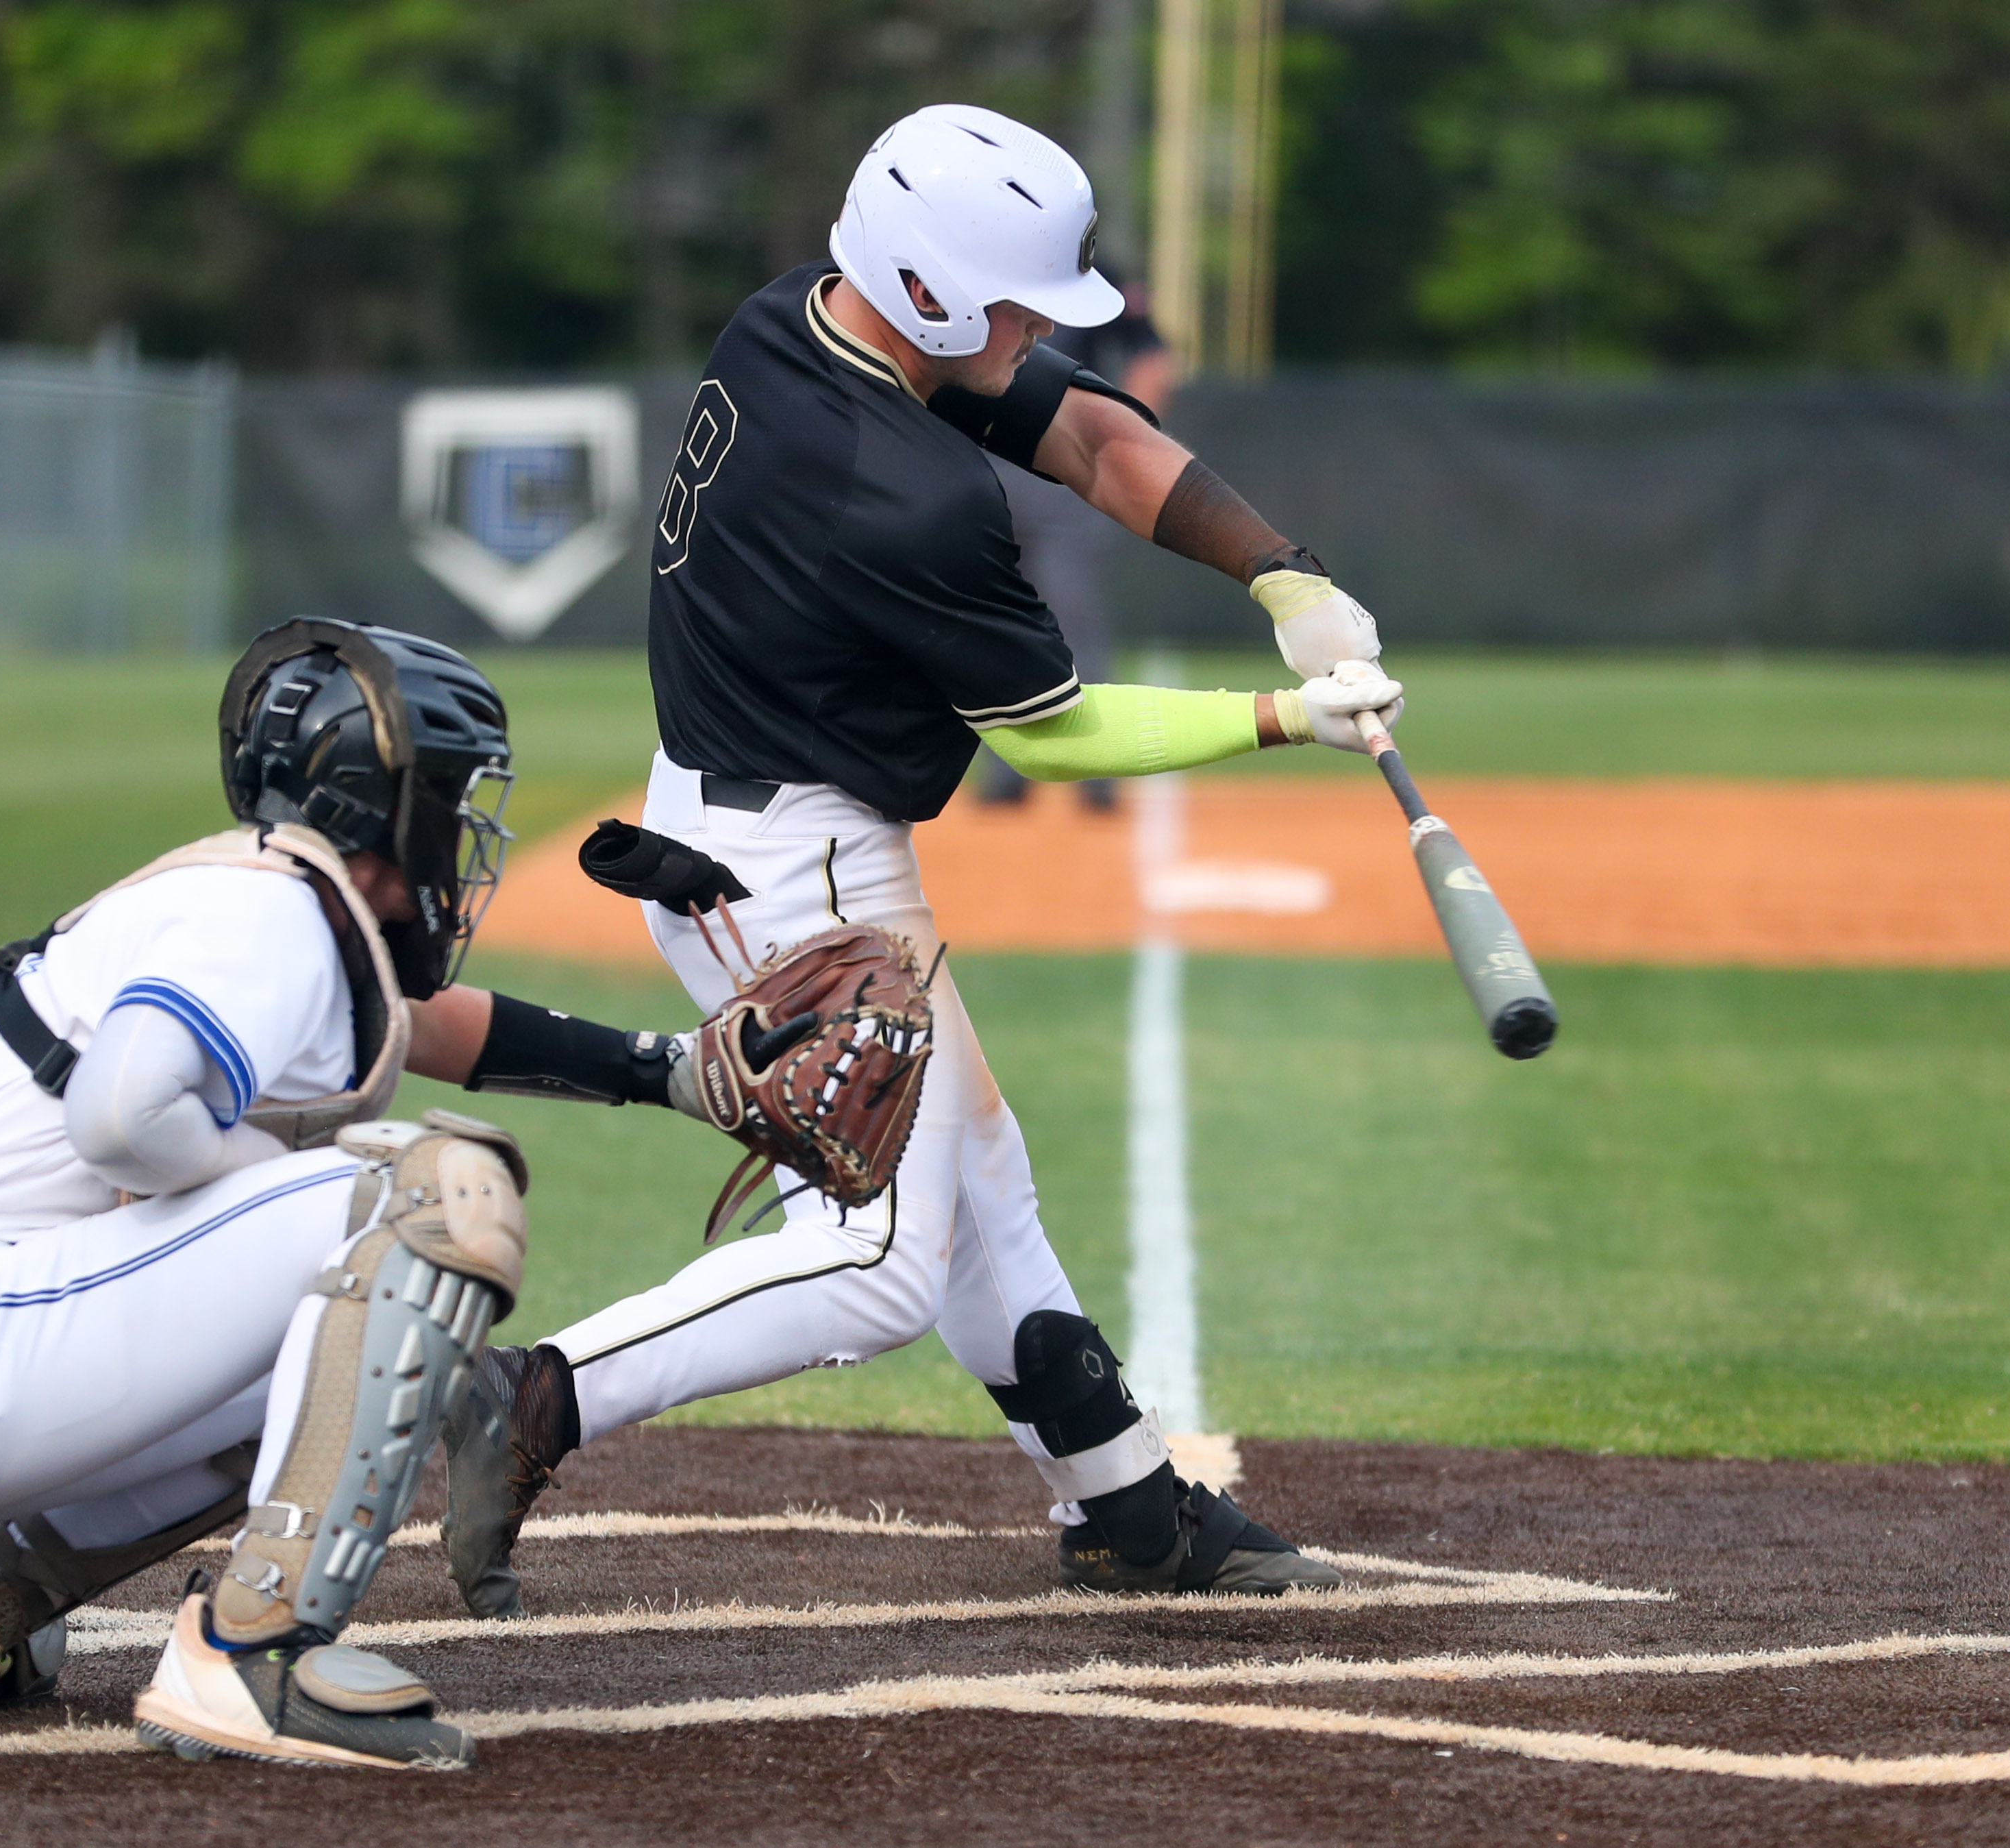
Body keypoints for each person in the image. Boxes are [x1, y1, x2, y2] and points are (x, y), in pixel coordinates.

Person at [443, 103, 1402, 1614]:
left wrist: (1277, 569)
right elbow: (1063, 736)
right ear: (936, 291)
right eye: (1013, 301)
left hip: (756, 819)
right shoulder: (895, 493)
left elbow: (1088, 428)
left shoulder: (797, 321)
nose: (1033, 330)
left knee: (978, 1170)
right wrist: (1287, 714)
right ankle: (533, 1397)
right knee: (882, 1257)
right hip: (791, 870)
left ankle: (1127, 1506)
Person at [0, 619, 782, 1771]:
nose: (463, 834)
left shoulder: (275, 908)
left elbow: (423, 1032)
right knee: (433, 1192)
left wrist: (674, 1072)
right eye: (449, 798)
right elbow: (118, 1112)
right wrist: (261, 1186)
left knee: (344, 1337)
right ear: (381, 807)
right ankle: (250, 1657)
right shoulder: (272, 914)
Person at [973, 288, 1178, 813]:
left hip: (1058, 466)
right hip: (979, 461)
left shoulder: (1091, 273)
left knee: (1073, 617)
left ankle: (1096, 767)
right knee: (989, 617)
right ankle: (1006, 771)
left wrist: (1124, 437)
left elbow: (1152, 355)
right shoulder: (971, 255)